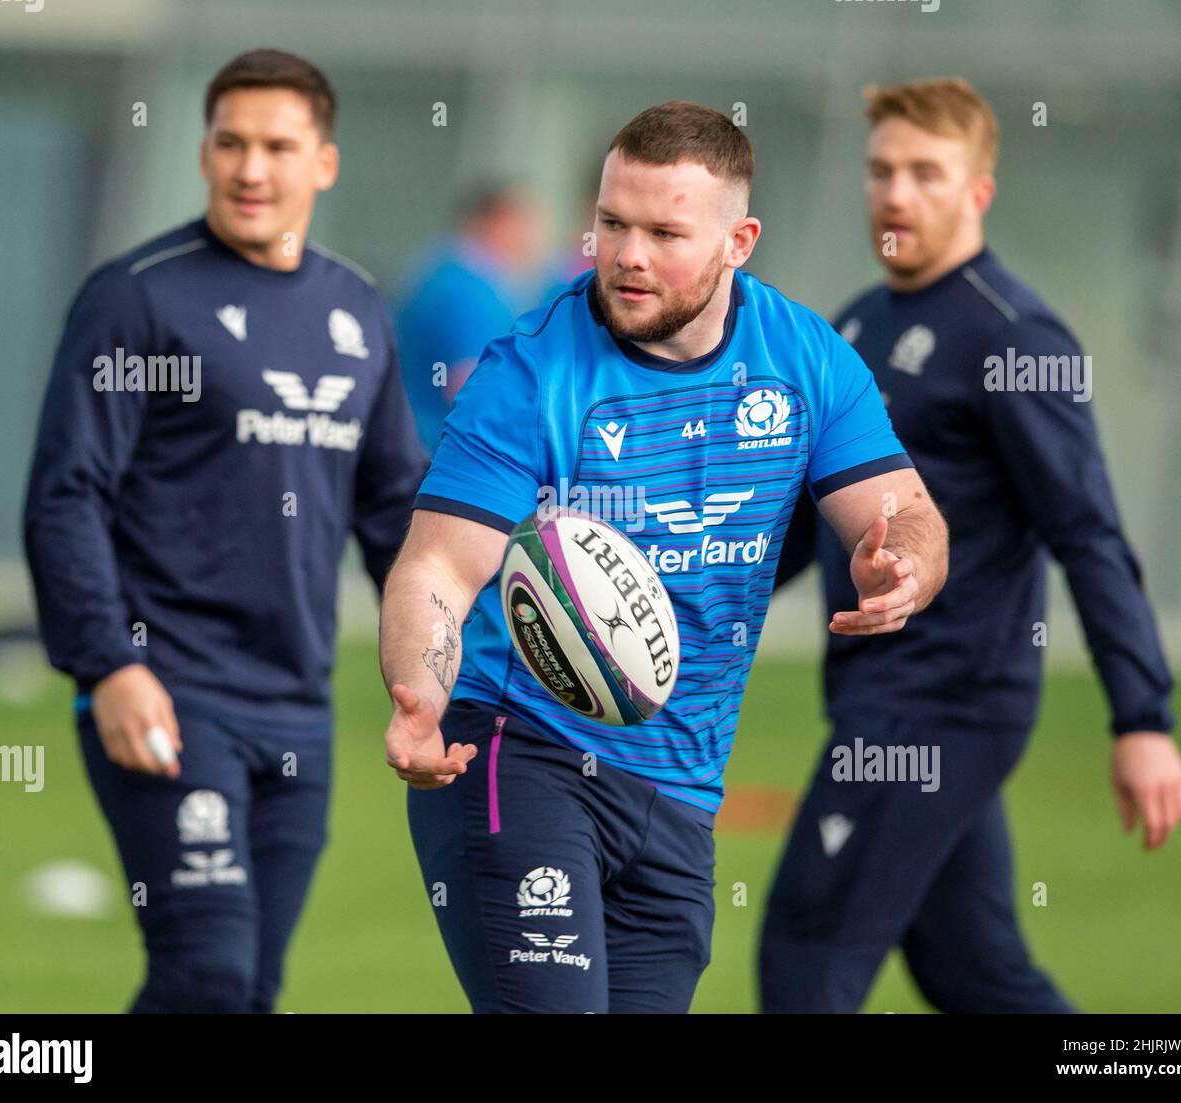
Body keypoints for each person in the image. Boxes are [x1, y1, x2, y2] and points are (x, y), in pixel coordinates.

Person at [377, 100, 949, 1013]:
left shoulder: (805, 360)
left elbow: (907, 511)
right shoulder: (528, 373)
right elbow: (438, 567)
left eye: (663, 231)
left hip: (680, 787)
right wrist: (421, 689)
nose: (626, 254)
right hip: (517, 754)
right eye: (610, 223)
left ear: (739, 240)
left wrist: (908, 566)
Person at [759, 78, 1181, 1014]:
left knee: (804, 945)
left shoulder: (1016, 337)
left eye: (926, 172)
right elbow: (807, 516)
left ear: (978, 192)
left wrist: (1143, 718)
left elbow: (1088, 532)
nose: (896, 193)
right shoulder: (858, 323)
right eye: (881, 171)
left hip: (943, 701)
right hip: (882, 691)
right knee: (974, 971)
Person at [23, 48, 426, 1012]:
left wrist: (451, 663)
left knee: (249, 989)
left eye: (279, 147)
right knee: (205, 971)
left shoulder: (354, 305)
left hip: (297, 703)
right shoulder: (139, 296)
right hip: (168, 689)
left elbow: (394, 510)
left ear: (323, 162)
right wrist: (109, 666)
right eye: (231, 142)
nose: (252, 169)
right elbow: (65, 494)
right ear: (202, 152)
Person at [396, 183, 546, 452]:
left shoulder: (439, 272)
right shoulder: (468, 291)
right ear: (497, 223)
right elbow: (466, 386)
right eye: (522, 226)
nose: (529, 239)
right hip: (439, 451)